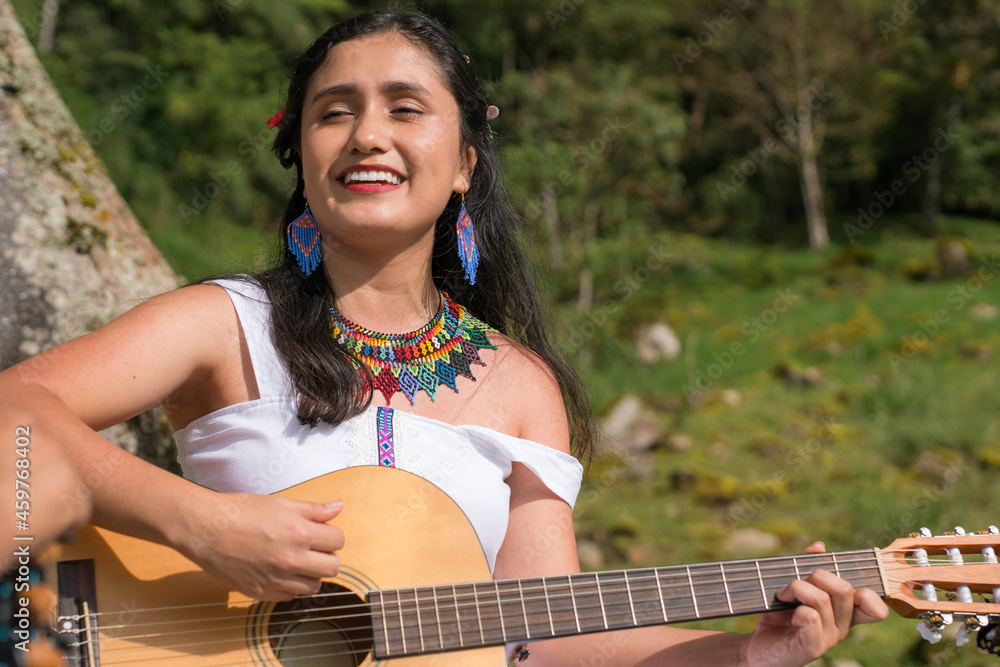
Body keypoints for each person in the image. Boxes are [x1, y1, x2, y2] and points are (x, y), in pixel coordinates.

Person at [0, 10, 887, 666]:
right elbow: (16, 417)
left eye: (405, 108)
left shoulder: (521, 385)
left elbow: (538, 638)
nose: (367, 135)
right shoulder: (223, 322)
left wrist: (750, 654)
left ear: (466, 162)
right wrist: (200, 523)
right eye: (334, 111)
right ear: (303, 160)